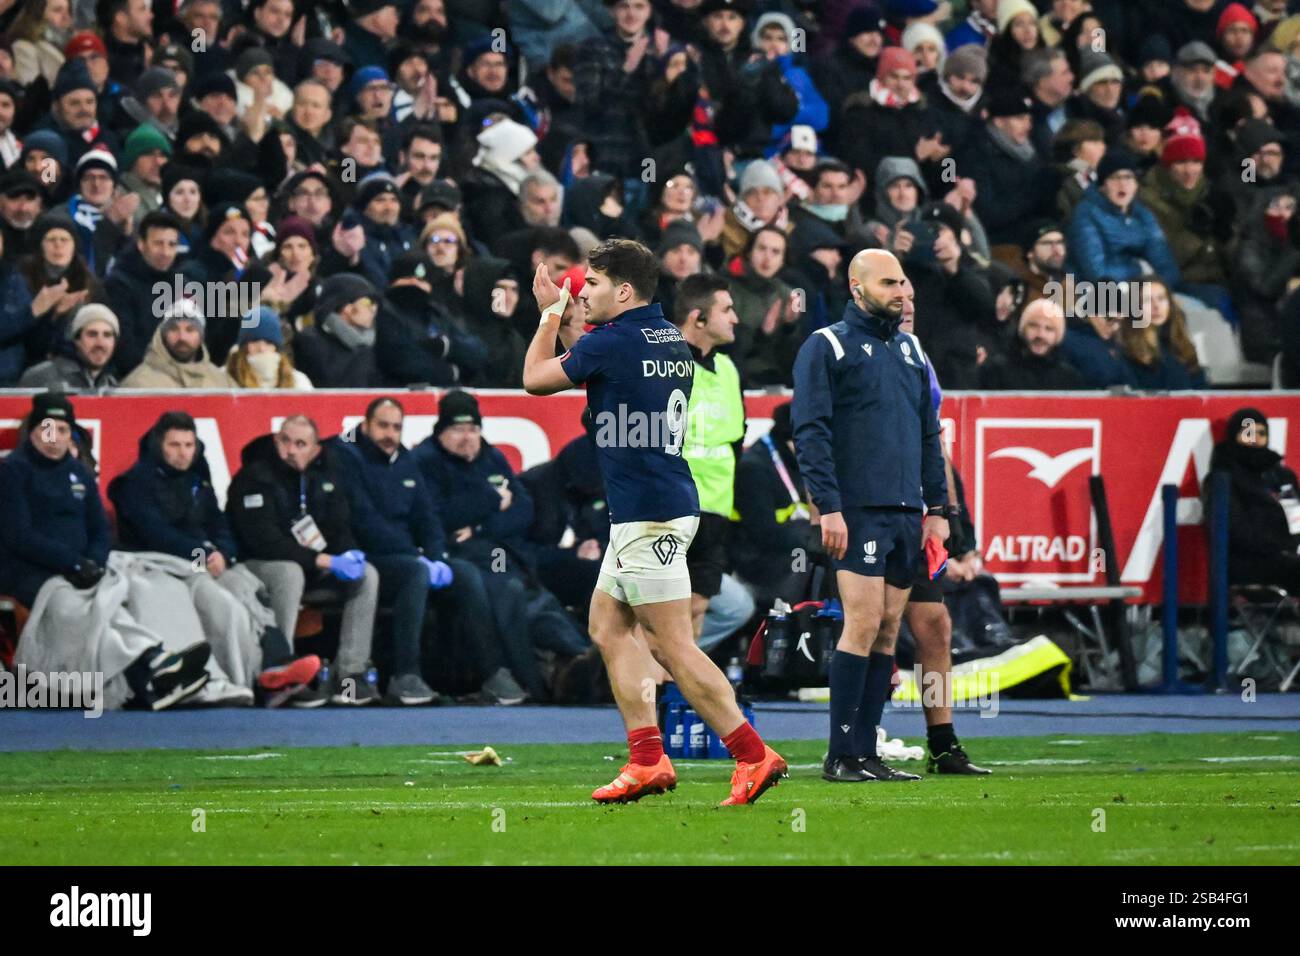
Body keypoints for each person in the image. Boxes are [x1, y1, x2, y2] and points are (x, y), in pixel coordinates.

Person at [524, 237, 787, 805]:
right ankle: (647, 759)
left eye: (591, 285)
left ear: (623, 290)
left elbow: (536, 378)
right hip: (657, 506)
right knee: (608, 627)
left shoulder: (616, 343)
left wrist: (549, 315)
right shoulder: (665, 336)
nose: (581, 292)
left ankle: (752, 754)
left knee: (671, 646)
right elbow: (597, 370)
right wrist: (574, 324)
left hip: (649, 515)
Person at [791, 248, 948, 783]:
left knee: (887, 630)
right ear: (857, 289)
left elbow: (930, 434)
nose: (901, 292)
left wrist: (938, 509)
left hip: (907, 512)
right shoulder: (826, 346)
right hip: (857, 510)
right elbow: (810, 432)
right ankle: (839, 755)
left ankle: (866, 753)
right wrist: (828, 507)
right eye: (889, 283)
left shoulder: (911, 350)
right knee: (859, 624)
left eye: (904, 282)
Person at [0, 393, 210, 710]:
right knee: (77, 607)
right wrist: (72, 563)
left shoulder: (79, 472)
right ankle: (151, 664)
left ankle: (154, 670)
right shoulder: (12, 471)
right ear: (32, 430)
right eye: (47, 428)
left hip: (85, 567)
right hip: (30, 571)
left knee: (119, 600)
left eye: (62, 430)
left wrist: (93, 561)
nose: (53, 438)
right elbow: (19, 535)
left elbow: (100, 528)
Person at [108, 411, 323, 706]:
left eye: (188, 445)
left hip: (207, 561)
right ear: (159, 445)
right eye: (175, 445)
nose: (183, 453)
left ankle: (276, 664)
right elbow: (155, 534)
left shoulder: (199, 482)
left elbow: (220, 524)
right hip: (162, 564)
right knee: (226, 605)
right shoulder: (135, 484)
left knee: (247, 591)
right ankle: (239, 677)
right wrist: (206, 555)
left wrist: (224, 552)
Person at [414, 390, 582, 703]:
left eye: (473, 429)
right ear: (441, 431)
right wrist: (493, 500)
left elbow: (523, 509)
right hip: (461, 554)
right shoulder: (425, 461)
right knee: (511, 590)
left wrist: (480, 525)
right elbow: (439, 516)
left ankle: (579, 657)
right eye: (458, 430)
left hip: (503, 547)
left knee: (547, 588)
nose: (468, 438)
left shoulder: (491, 456)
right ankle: (531, 681)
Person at [896, 291, 991, 775]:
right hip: (871, 513)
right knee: (873, 630)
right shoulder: (846, 352)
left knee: (935, 625)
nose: (906, 301)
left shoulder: (919, 360)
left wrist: (955, 527)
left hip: (914, 513)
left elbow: (937, 449)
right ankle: (853, 743)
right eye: (893, 289)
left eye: (913, 294)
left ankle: (942, 742)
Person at [228, 416, 381, 707]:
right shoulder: (254, 477)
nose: (291, 450)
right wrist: (323, 560)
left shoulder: (325, 476)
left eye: (300, 444)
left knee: (368, 575)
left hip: (312, 563)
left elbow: (339, 526)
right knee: (290, 572)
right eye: (285, 441)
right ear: (276, 441)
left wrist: (348, 552)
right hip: (258, 565)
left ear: (315, 450)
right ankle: (279, 670)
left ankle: (350, 674)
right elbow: (265, 541)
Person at [669, 273, 747, 641]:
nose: (735, 318)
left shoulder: (729, 369)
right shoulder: (663, 362)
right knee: (661, 609)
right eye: (726, 310)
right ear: (698, 318)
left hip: (715, 508)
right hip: (671, 503)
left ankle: (679, 693)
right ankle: (649, 693)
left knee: (697, 604)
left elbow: (735, 439)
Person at [1205, 407, 1300, 591]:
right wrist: (1280, 547)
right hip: (1246, 562)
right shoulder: (1222, 477)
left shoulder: (1282, 476)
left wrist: (1292, 546)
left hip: (1286, 556)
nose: (1255, 438)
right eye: (1248, 432)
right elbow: (1237, 532)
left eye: (1261, 433)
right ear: (1234, 435)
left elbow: (1296, 520)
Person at [120, 299, 233, 388]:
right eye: (173, 329)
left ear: (201, 337)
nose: (182, 337)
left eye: (190, 330)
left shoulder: (222, 382)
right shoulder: (137, 384)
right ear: (163, 334)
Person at [977, 298, 1084, 389]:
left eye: (1049, 329)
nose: (1040, 335)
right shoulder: (996, 370)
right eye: (1033, 326)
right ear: (1023, 329)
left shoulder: (1069, 378)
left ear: (1058, 336)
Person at [19, 301, 119, 392]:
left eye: (107, 335)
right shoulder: (41, 377)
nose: (100, 343)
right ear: (76, 339)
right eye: (92, 334)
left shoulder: (111, 384)